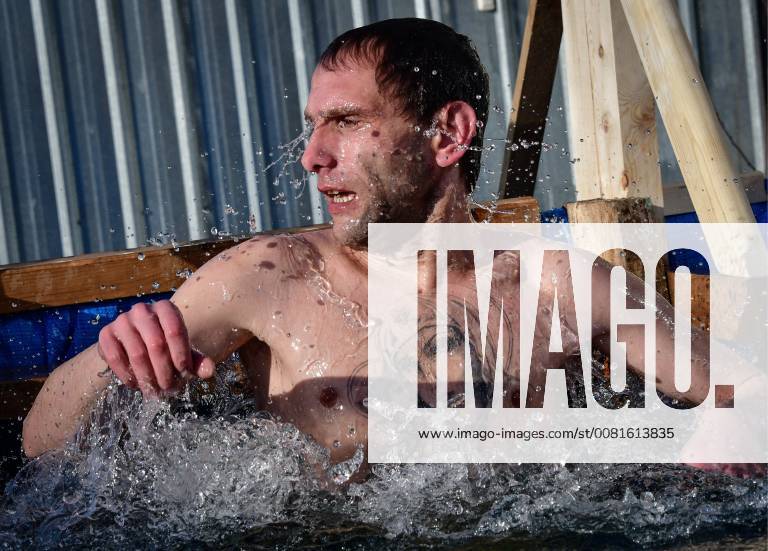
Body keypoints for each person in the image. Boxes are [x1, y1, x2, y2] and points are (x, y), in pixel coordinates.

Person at [21, 19, 759, 477]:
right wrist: (110, 360)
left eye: (344, 121)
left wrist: (728, 421)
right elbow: (39, 444)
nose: (312, 156)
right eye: (314, 125)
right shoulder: (270, 277)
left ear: (448, 133)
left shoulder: (555, 286)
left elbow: (750, 394)